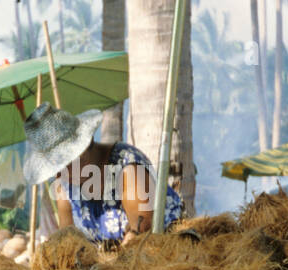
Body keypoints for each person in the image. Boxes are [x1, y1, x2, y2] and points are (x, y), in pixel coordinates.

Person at [22, 102, 183, 244]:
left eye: (65, 165)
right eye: (55, 169)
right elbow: (68, 243)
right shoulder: (64, 185)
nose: (60, 175)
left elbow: (141, 238)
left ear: (83, 149)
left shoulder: (128, 167)